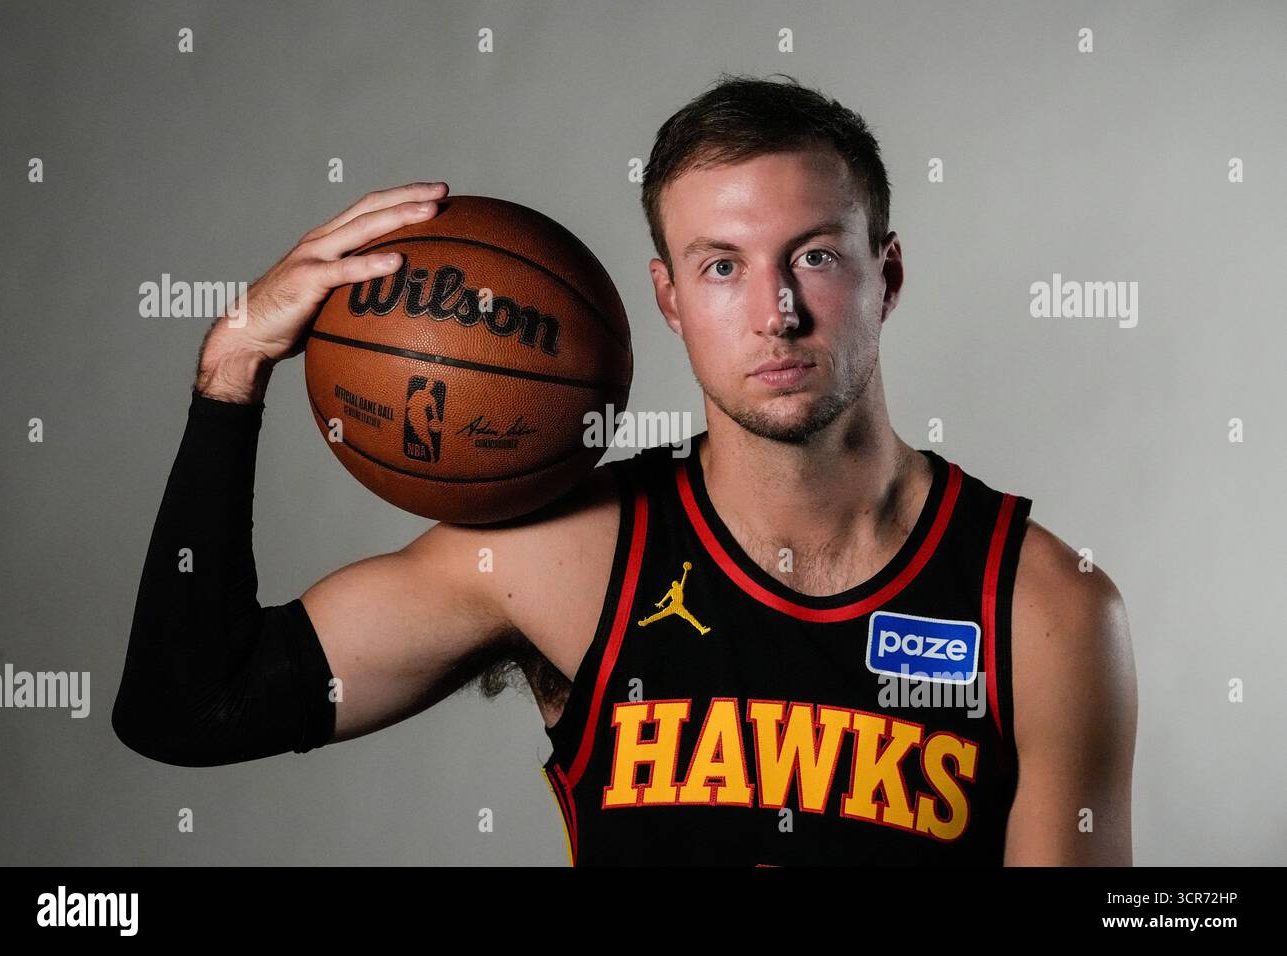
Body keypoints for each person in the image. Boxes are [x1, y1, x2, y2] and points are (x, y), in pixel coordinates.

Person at [113, 73, 1137, 866]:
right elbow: (190, 704)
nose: (774, 308)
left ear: (888, 273)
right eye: (722, 265)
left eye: (815, 255)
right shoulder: (564, 556)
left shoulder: (1040, 607)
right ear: (668, 296)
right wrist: (234, 364)